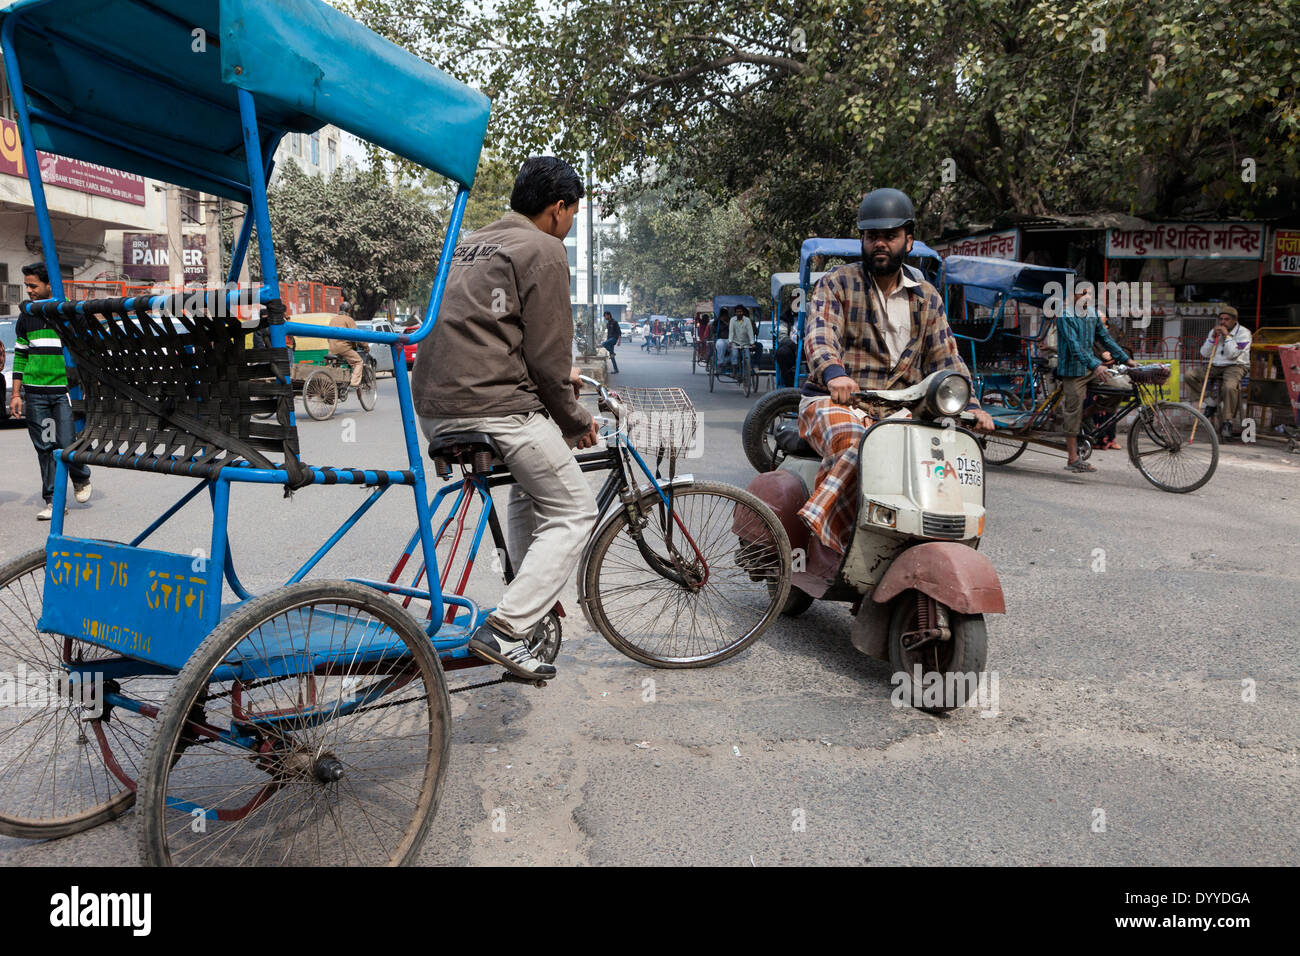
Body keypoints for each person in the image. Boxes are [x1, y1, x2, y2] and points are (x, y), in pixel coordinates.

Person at [411, 156, 599, 680]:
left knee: (529, 485)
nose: (569, 224)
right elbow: (546, 355)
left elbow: (491, 333)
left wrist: (561, 382)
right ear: (559, 209)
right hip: (492, 408)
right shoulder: (544, 249)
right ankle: (508, 627)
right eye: (573, 214)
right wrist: (574, 418)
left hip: (434, 406)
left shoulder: (472, 240)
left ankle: (524, 602)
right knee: (575, 512)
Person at [799, 188, 993, 556]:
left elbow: (947, 359)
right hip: (835, 401)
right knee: (854, 439)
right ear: (863, 240)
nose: (880, 244)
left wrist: (973, 406)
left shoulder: (927, 297)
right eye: (872, 237)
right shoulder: (837, 283)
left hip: (899, 413)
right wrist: (834, 373)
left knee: (948, 455)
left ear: (909, 240)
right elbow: (820, 335)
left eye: (889, 236)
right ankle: (837, 543)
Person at [9, 263, 93, 520]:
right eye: (27, 286)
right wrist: (15, 393)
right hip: (36, 394)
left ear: (49, 285)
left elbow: (85, 352)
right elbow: (21, 355)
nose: (29, 291)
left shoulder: (69, 313)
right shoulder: (27, 316)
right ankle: (53, 501)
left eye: (33, 286)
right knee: (45, 446)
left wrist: (89, 387)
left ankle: (80, 476)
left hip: (63, 392)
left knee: (67, 443)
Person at [1056, 286, 1132, 472]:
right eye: (1082, 293)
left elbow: (1106, 339)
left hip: (1091, 368)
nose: (1086, 296)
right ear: (1072, 295)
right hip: (1073, 370)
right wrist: (1096, 365)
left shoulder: (1092, 314)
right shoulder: (1065, 316)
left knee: (1121, 387)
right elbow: (1074, 347)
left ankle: (1084, 416)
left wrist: (1126, 359)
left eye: (1089, 293)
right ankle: (1072, 458)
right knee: (1072, 409)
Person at [1184, 305, 1251, 439]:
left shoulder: (1244, 333)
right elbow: (1204, 353)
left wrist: (1227, 336)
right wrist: (1212, 338)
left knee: (1229, 387)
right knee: (1189, 375)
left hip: (1236, 365)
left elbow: (1232, 354)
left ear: (1234, 320)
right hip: (1215, 365)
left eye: (1226, 319)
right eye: (1221, 319)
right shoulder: (1214, 331)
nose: (1222, 322)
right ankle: (1210, 402)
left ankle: (1228, 421)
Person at [327, 310, 365, 387]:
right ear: (348, 311)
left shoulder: (333, 320)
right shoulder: (348, 319)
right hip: (344, 348)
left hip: (332, 348)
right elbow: (357, 335)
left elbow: (328, 336)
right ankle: (354, 383)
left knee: (334, 365)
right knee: (358, 362)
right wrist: (366, 346)